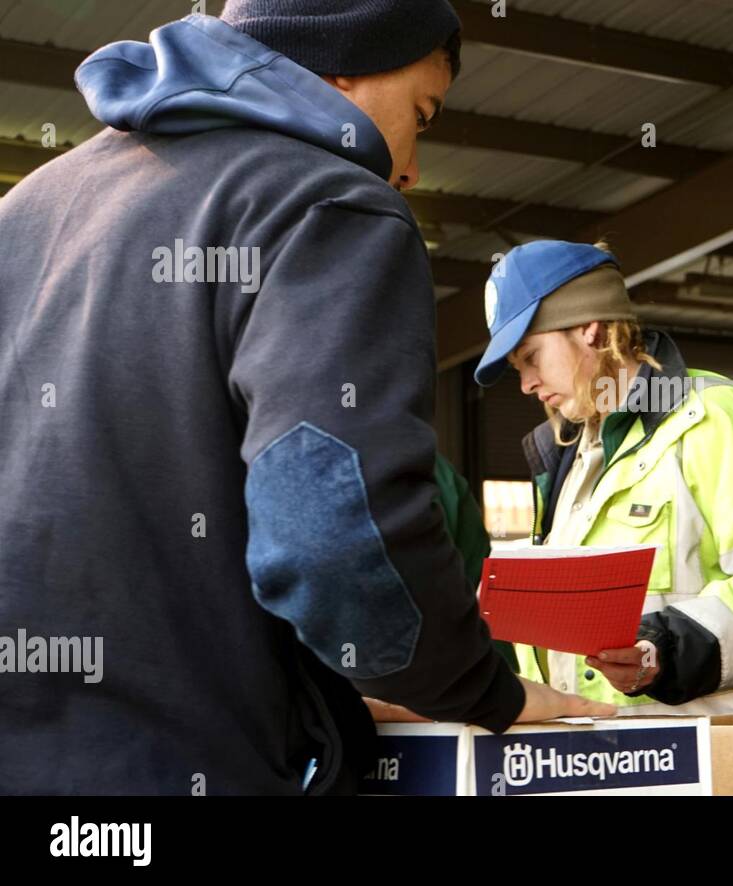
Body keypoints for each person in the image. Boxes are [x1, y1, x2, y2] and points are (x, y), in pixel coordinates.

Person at [0, 0, 605, 796]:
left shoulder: (29, 208)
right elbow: (336, 537)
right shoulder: (328, 202)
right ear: (347, 54)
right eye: (420, 114)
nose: (412, 166)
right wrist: (479, 690)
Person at [473, 240, 733, 714]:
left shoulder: (719, 417)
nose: (525, 385)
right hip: (614, 763)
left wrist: (661, 651)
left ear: (591, 330)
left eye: (531, 356)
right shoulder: (571, 458)